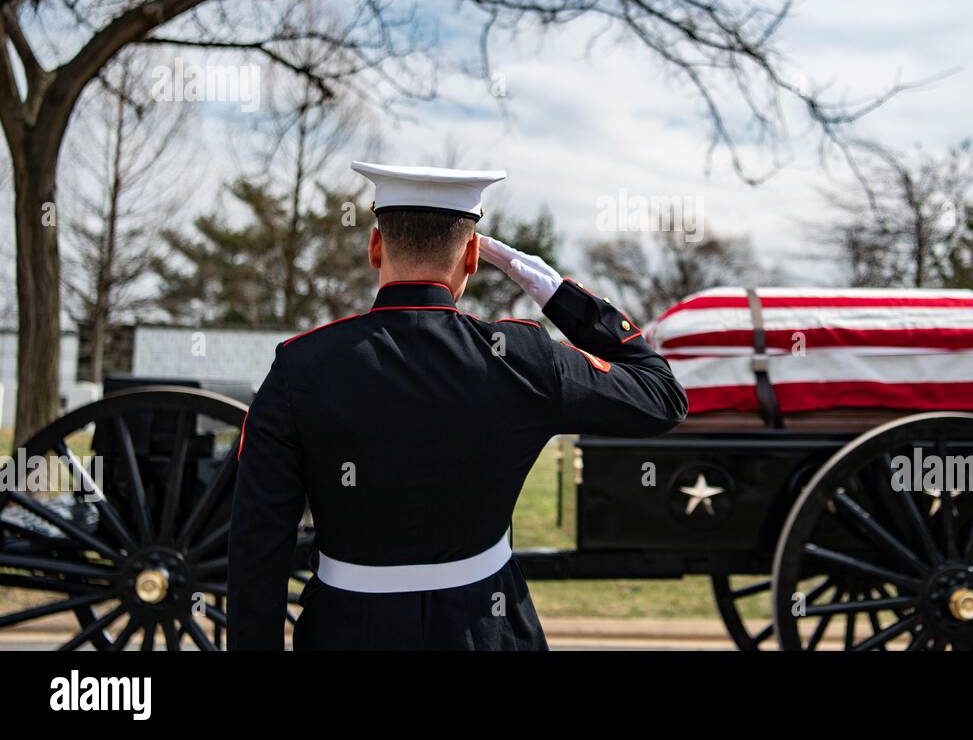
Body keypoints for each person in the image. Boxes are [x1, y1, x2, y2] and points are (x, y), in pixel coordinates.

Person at [227, 163, 687, 650]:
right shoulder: (525, 359)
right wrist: (557, 295)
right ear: (472, 255)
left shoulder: (301, 366)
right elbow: (661, 397)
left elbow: (259, 544)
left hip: (346, 630)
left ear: (375, 246)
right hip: (487, 629)